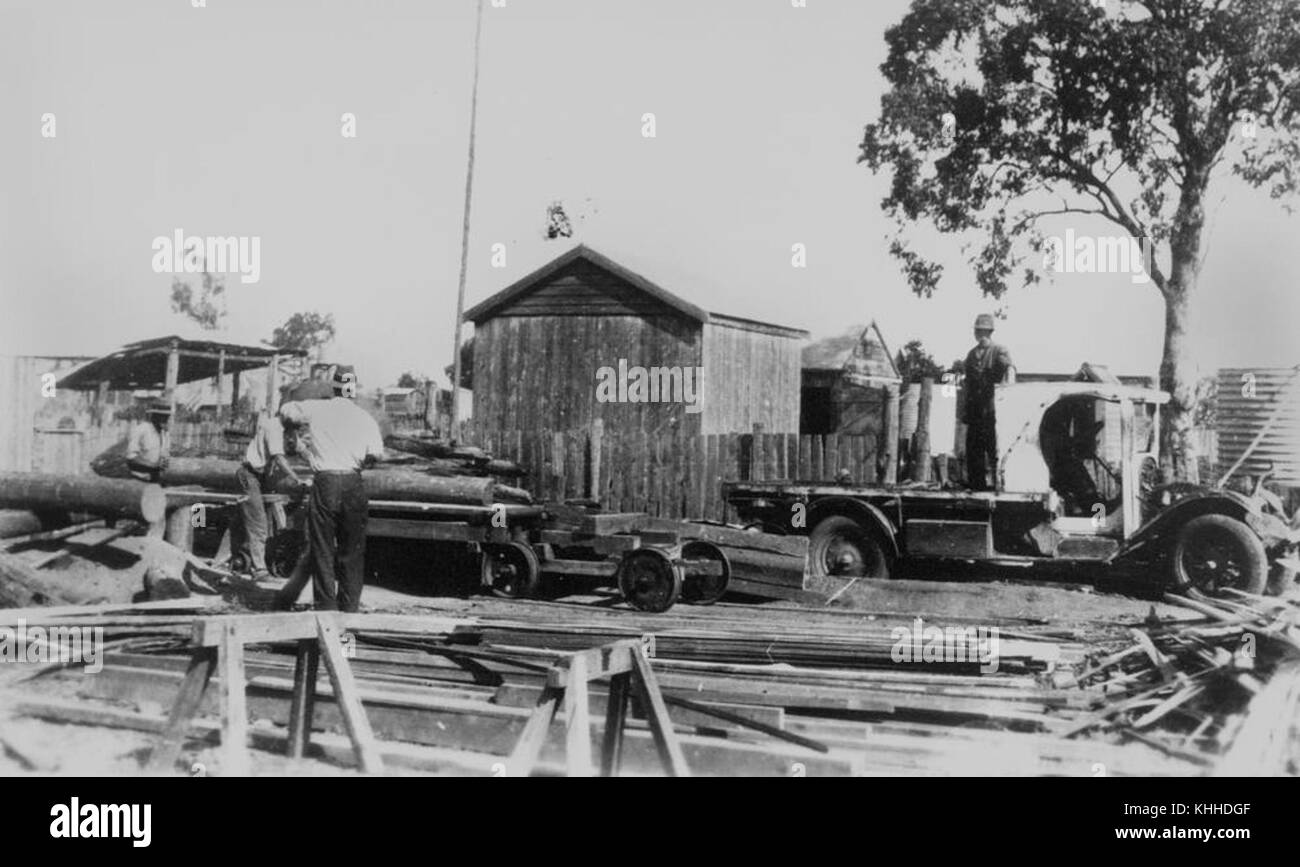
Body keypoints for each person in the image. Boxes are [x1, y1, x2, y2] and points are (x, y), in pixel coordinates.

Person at [277, 369, 384, 612]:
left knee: (322, 549)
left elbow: (286, 411)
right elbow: (375, 455)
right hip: (353, 483)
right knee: (353, 551)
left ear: (333, 388)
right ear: (353, 390)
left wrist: (290, 424)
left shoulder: (317, 408)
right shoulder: (365, 418)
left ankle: (326, 608)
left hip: (325, 483)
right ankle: (349, 610)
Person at [234, 405, 304, 581]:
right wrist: (296, 478)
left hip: (262, 477)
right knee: (258, 524)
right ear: (285, 420)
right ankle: (259, 571)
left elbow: (301, 448)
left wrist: (316, 462)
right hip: (249, 476)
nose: (293, 430)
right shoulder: (272, 427)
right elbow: (278, 458)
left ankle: (255, 558)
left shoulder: (288, 428)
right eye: (292, 426)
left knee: (266, 524)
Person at [962, 314, 1015, 491]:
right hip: (975, 410)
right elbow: (966, 383)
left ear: (990, 332)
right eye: (978, 331)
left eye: (984, 331)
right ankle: (977, 485)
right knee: (973, 449)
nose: (980, 334)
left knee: (994, 448)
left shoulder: (999, 350)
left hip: (993, 410)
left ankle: (999, 485)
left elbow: (1010, 371)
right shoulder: (971, 354)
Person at [125, 399, 172, 482]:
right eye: (161, 416)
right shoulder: (141, 429)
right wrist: (154, 465)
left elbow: (165, 455)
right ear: (153, 416)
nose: (164, 419)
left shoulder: (165, 433)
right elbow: (131, 457)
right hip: (139, 478)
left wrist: (165, 463)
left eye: (166, 417)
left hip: (156, 478)